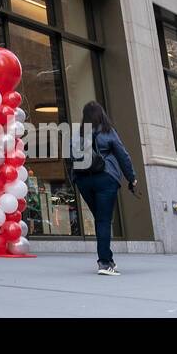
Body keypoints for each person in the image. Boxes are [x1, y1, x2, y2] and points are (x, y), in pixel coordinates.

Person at [73, 101, 137, 276]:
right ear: (101, 114)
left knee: (100, 219)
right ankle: (104, 263)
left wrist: (75, 179)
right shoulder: (108, 131)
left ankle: (108, 259)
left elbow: (70, 158)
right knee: (103, 220)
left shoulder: (77, 135)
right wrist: (131, 178)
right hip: (106, 178)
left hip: (83, 181)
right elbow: (123, 155)